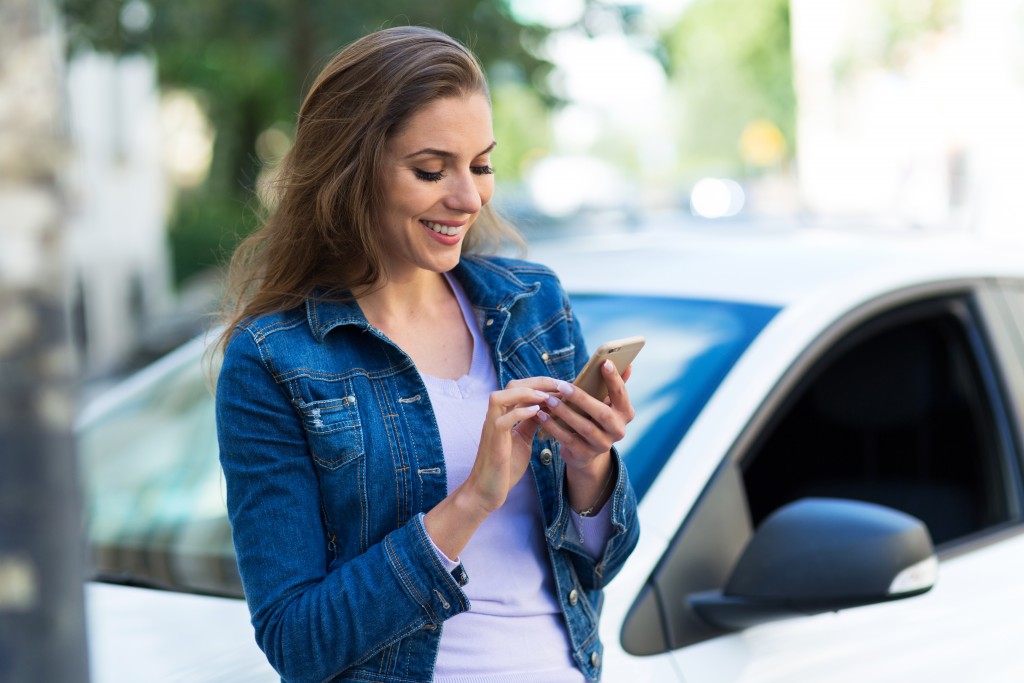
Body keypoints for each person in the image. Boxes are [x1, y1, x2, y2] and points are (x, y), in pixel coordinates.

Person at [214, 25, 640, 683]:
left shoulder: (533, 306)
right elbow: (296, 641)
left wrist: (591, 466)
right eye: (431, 169)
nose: (468, 198)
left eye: (481, 165)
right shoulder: (275, 360)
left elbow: (600, 563)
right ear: (351, 171)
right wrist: (472, 499)